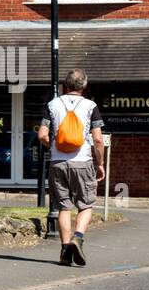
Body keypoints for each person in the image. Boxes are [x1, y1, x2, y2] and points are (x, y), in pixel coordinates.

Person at [37, 68, 105, 267]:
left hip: (58, 162)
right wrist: (99, 163)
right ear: (84, 86)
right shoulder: (90, 106)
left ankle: (65, 250)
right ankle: (78, 238)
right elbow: (98, 139)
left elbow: (42, 134)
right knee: (86, 204)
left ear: (65, 85)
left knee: (63, 207)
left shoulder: (52, 104)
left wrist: (54, 146)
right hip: (82, 161)